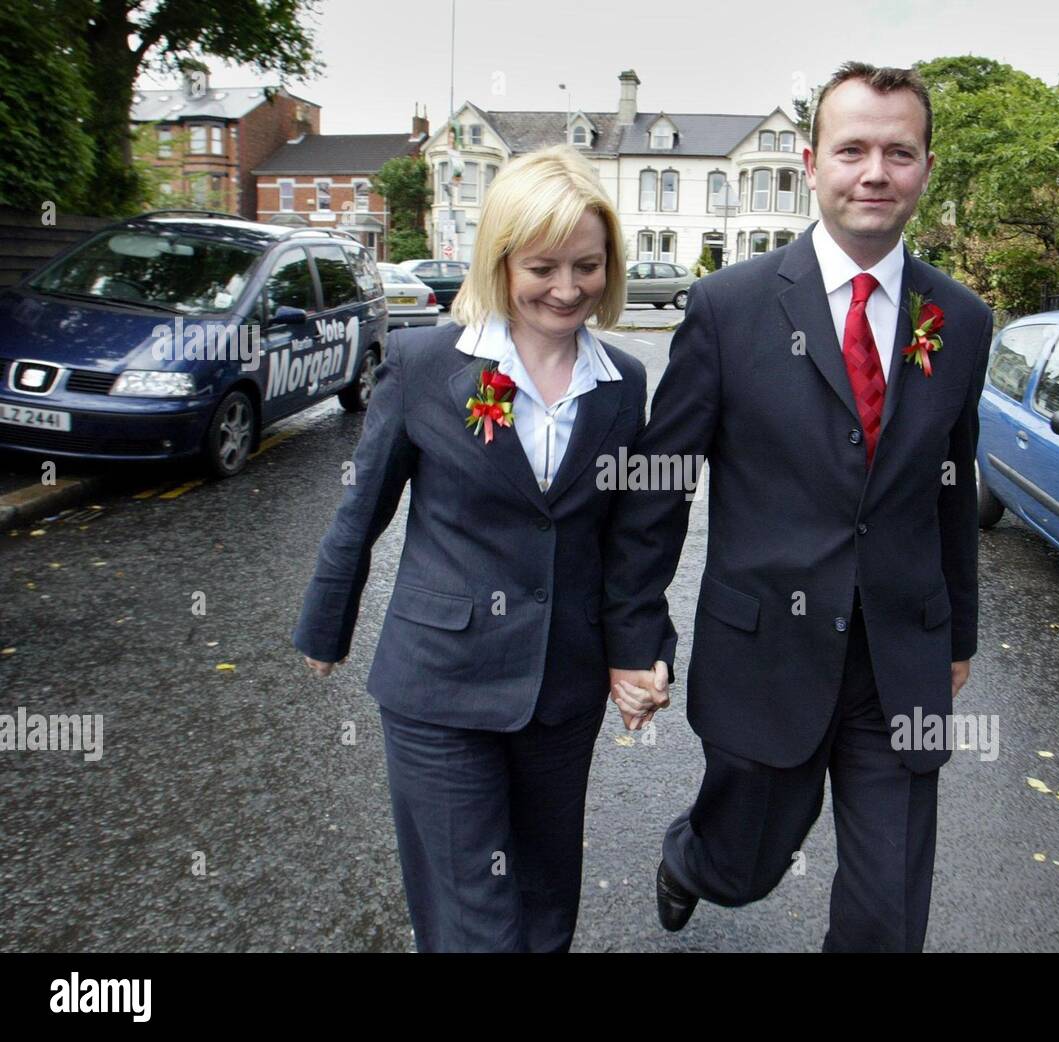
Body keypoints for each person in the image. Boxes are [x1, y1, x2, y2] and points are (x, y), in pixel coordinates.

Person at [603, 63, 994, 952]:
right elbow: (660, 485)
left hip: (904, 653)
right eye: (853, 149)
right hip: (765, 652)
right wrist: (635, 630)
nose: (875, 171)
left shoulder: (961, 320)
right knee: (747, 868)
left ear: (925, 169)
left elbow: (951, 483)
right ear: (813, 163)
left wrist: (959, 636)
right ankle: (694, 862)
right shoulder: (727, 307)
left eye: (899, 152)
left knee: (889, 908)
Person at [293, 145, 669, 952]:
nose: (567, 289)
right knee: (472, 919)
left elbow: (626, 538)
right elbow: (364, 507)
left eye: (588, 266)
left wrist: (638, 653)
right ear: (500, 260)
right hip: (439, 687)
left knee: (543, 903)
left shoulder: (624, 383)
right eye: (543, 267)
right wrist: (327, 625)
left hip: (560, 690)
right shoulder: (428, 363)